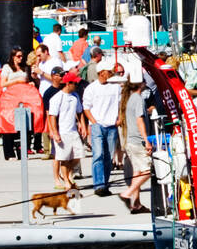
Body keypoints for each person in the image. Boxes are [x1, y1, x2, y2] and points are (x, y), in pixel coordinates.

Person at [82, 64, 121, 196]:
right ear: (101, 73)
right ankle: (99, 184)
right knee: (98, 154)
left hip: (112, 125)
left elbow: (121, 103)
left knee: (109, 156)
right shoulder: (91, 88)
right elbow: (86, 107)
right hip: (97, 125)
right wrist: (93, 122)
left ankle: (105, 183)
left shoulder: (116, 87)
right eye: (108, 71)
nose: (110, 73)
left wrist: (119, 119)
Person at [46, 71, 86, 190]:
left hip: (73, 131)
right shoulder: (57, 98)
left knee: (78, 155)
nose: (77, 86)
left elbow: (80, 111)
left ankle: (68, 175)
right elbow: (52, 116)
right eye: (75, 84)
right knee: (64, 158)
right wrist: (55, 132)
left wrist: (82, 125)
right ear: (68, 83)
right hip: (62, 132)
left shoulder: (75, 96)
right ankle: (67, 181)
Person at [117, 79, 151, 213]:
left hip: (130, 140)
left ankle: (136, 204)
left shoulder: (129, 98)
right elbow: (139, 120)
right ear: (140, 84)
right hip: (137, 141)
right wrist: (146, 140)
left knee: (137, 172)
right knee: (149, 170)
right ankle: (127, 193)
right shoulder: (138, 99)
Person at [0, 48, 29, 160]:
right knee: (9, 125)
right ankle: (9, 152)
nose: (20, 58)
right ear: (13, 56)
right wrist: (17, 80)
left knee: (22, 126)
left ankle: (22, 151)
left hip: (22, 98)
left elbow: (26, 80)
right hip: (9, 98)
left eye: (21, 56)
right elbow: (3, 83)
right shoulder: (7, 67)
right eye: (18, 56)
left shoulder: (24, 67)